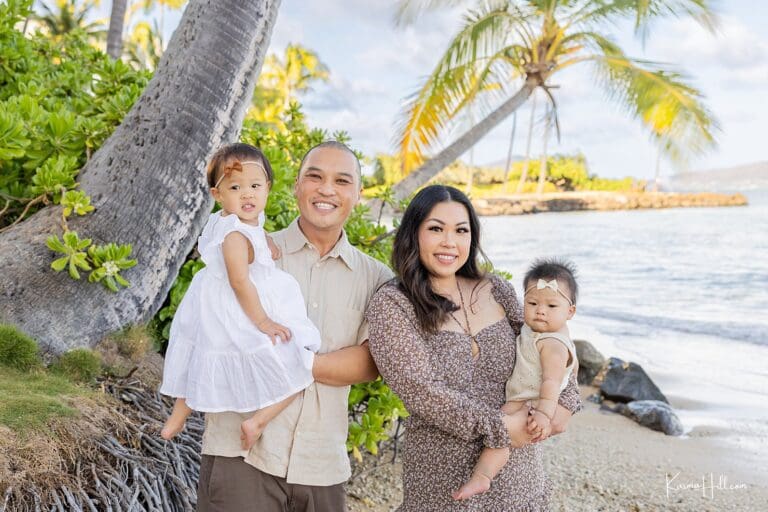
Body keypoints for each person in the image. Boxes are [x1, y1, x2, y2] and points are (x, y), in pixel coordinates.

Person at [195, 141, 393, 512]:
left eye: (342, 181)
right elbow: (217, 335)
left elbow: (372, 363)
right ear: (296, 186)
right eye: (314, 177)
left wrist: (294, 361)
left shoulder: (377, 279)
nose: (327, 189)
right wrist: (318, 364)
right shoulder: (250, 252)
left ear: (359, 194)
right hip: (241, 455)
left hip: (322, 465)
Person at [366, 185, 582, 511]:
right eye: (435, 229)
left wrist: (566, 402)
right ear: (414, 233)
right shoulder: (393, 303)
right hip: (441, 481)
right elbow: (421, 390)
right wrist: (500, 427)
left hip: (519, 478)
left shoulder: (496, 289)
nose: (449, 242)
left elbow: (549, 341)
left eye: (461, 230)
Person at [159, 143, 322, 450]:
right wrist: (263, 321)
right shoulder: (234, 235)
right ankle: (258, 420)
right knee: (300, 359)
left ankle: (176, 420)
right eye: (235, 187)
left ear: (267, 188)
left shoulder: (236, 221)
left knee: (201, 358)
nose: (247, 195)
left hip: (213, 304)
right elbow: (239, 280)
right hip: (237, 306)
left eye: (255, 186)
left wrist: (265, 242)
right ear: (217, 194)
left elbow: (252, 234)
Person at [453, 259, 580, 500]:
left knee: (501, 434)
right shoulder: (536, 329)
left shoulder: (553, 343)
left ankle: (483, 476)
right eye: (532, 303)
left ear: (570, 312)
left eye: (552, 305)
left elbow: (552, 382)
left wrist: (543, 414)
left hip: (530, 401)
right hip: (523, 394)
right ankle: (483, 477)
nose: (540, 310)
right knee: (501, 433)